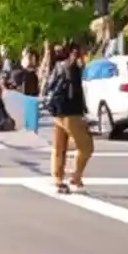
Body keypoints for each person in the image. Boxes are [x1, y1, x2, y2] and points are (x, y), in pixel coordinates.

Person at [43, 43, 94, 193]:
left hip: (58, 110)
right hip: (70, 112)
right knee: (86, 147)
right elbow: (74, 93)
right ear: (75, 53)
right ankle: (76, 177)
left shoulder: (59, 66)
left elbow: (49, 86)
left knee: (59, 147)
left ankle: (58, 179)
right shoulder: (73, 67)